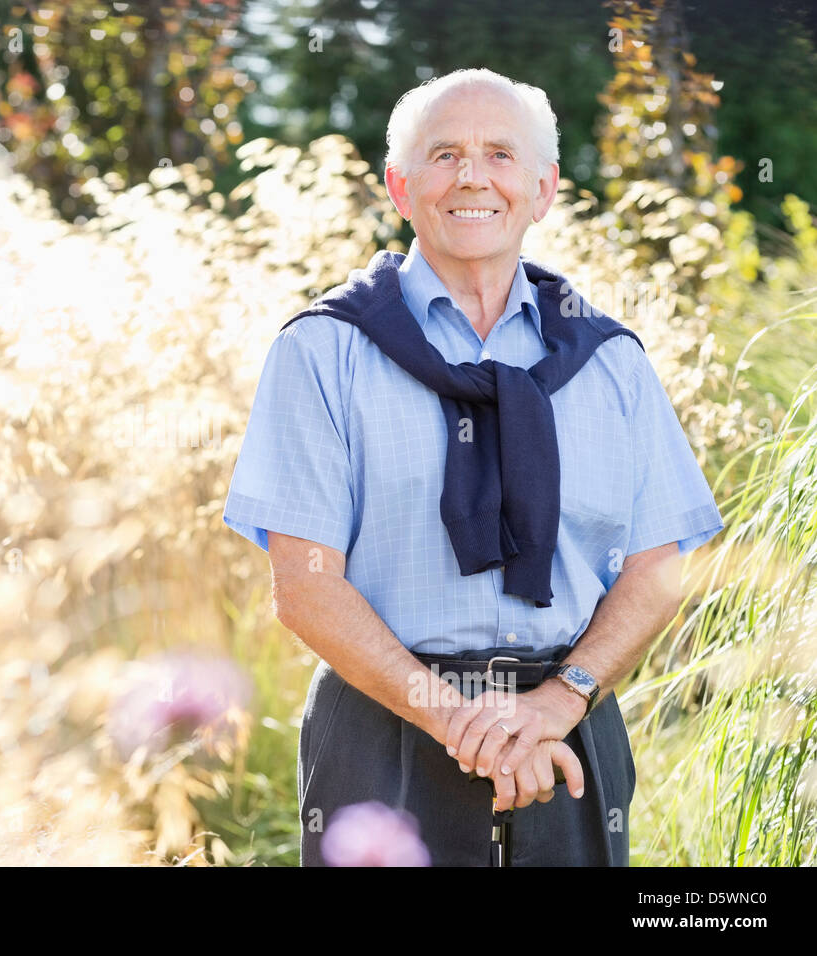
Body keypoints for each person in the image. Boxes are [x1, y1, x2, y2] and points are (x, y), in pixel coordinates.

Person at [221, 68, 725, 866]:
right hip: (381, 738)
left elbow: (658, 566)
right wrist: (460, 721)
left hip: (569, 736)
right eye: (445, 154)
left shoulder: (611, 362)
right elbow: (306, 585)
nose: (472, 176)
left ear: (543, 188)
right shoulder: (323, 351)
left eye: (499, 154)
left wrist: (558, 703)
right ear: (400, 185)